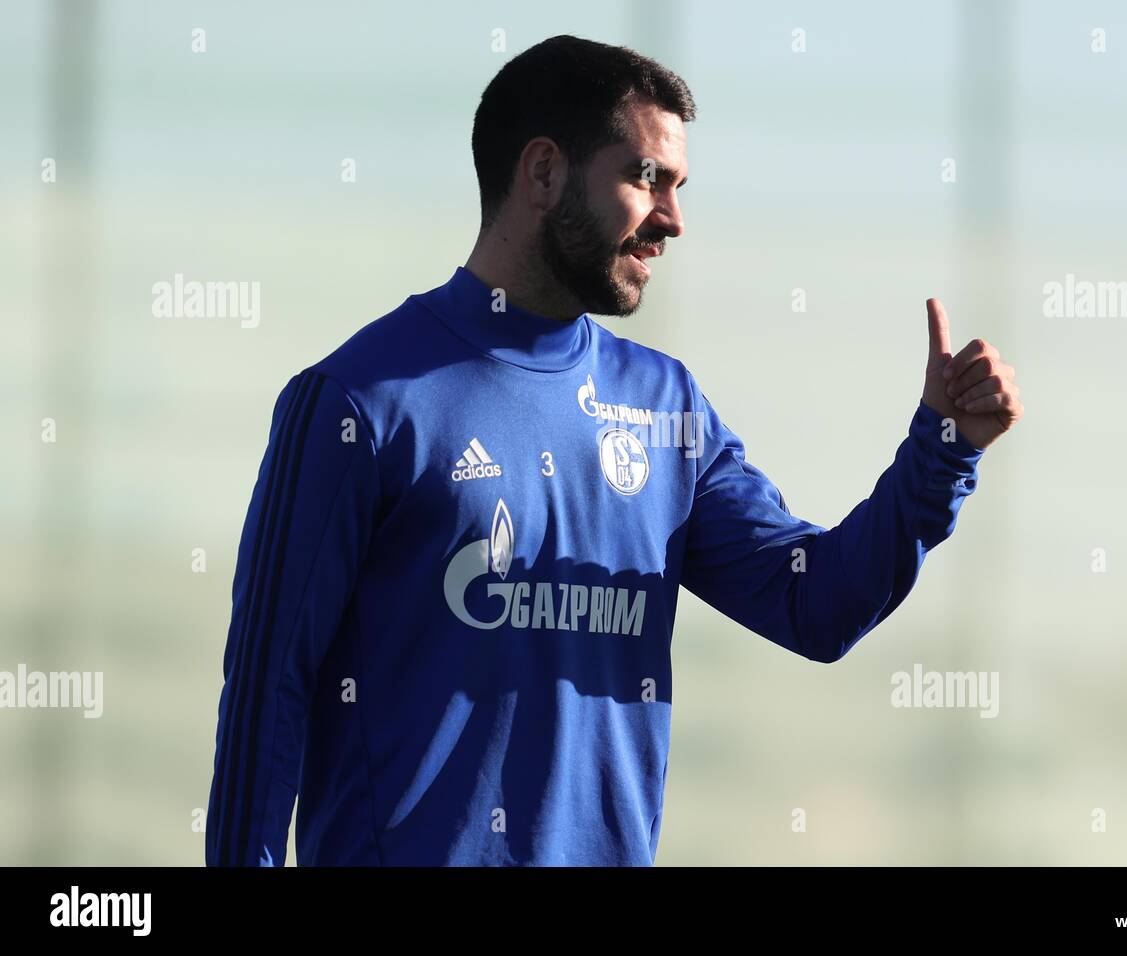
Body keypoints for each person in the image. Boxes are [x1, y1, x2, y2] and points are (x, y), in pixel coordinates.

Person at [205, 34, 1023, 867]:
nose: (672, 219)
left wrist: (944, 450)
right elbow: (266, 702)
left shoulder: (666, 408)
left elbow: (815, 607)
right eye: (646, 179)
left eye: (678, 188)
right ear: (544, 173)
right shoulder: (357, 403)